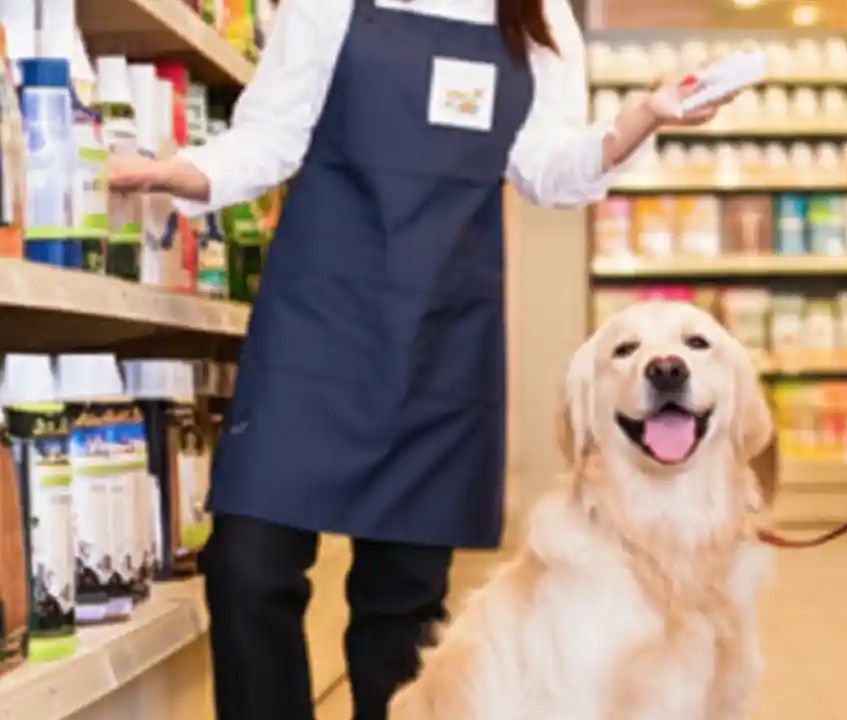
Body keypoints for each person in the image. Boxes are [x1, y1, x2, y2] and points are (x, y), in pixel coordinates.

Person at [107, 1, 729, 718]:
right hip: (318, 319)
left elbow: (548, 169)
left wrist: (644, 116)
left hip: (443, 331)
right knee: (248, 570)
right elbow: (272, 137)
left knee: (401, 608)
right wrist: (174, 172)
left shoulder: (537, 12)